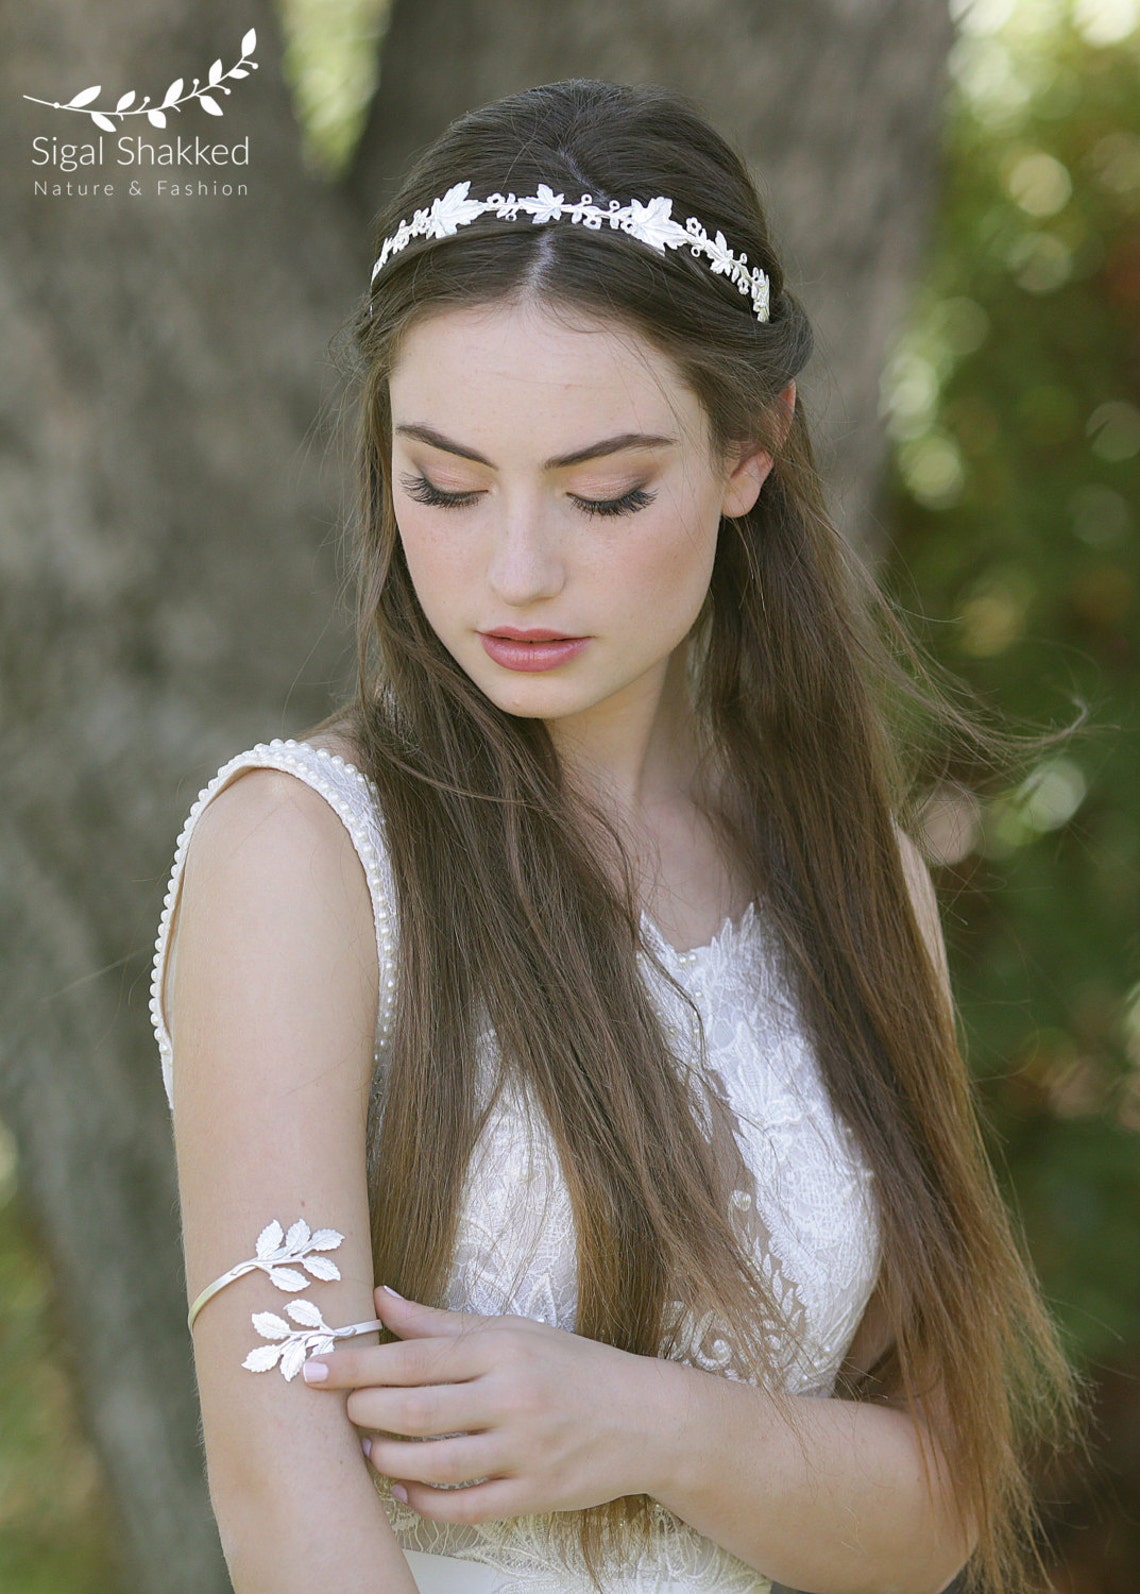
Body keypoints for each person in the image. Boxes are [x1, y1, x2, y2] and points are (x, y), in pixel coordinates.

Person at [150, 78, 1081, 1594]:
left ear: (746, 455)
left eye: (604, 490)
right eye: (443, 482)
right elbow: (284, 1507)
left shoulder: (858, 887)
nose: (513, 569)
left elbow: (934, 1510)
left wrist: (651, 1424)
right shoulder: (307, 855)